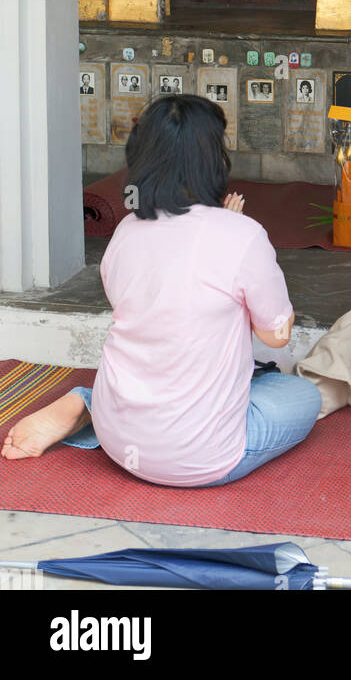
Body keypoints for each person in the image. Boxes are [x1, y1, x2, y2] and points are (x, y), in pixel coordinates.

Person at [1, 95, 321, 485]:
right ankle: (90, 404)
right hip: (202, 457)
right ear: (213, 160)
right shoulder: (242, 235)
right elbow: (275, 334)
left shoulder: (126, 231)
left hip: (119, 438)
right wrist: (240, 248)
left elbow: (154, 306)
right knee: (303, 396)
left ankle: (88, 403)